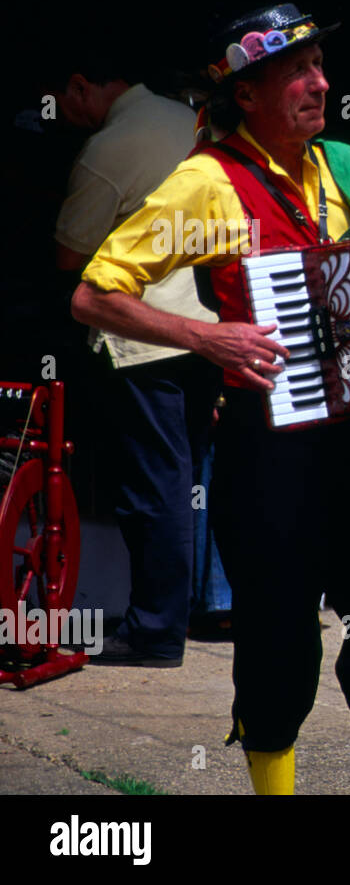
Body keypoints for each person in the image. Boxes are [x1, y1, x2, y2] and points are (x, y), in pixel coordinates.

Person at [71, 3, 350, 794]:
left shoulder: (349, 167)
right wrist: (204, 337)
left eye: (321, 68)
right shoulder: (207, 182)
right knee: (276, 638)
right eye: (297, 72)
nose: (320, 83)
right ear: (247, 96)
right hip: (265, 445)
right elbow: (95, 294)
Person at [42, 39, 223, 667]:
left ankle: (154, 632)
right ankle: (189, 612)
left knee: (158, 486)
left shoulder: (107, 148)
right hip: (210, 322)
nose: (61, 114)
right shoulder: (187, 118)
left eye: (61, 102)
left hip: (146, 332)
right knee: (190, 474)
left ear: (80, 86)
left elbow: (69, 257)